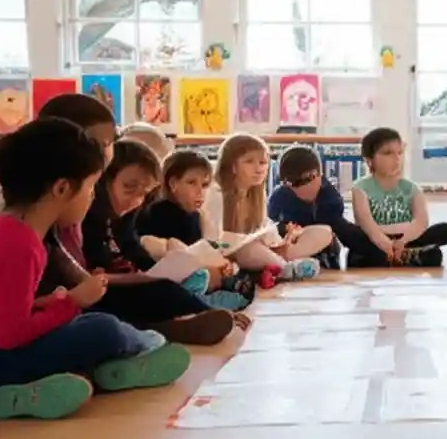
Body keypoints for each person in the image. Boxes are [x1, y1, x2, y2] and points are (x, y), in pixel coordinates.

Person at [0, 118, 190, 420]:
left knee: (84, 325)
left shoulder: (2, 229)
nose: (91, 198)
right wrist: (73, 301)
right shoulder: (19, 242)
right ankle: (141, 348)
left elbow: (5, 315)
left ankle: (33, 393)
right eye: (90, 188)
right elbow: (11, 335)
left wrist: (54, 304)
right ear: (62, 188)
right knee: (101, 328)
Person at [36, 93, 236, 345]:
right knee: (103, 325)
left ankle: (168, 326)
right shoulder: (54, 219)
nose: (109, 149)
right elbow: (63, 289)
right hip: (71, 310)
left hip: (85, 299)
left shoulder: (87, 212)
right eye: (104, 142)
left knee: (142, 301)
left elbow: (95, 272)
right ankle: (154, 333)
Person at [83, 141, 253, 319]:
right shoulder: (91, 220)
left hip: (133, 284)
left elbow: (137, 254)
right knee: (165, 292)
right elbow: (93, 277)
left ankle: (204, 315)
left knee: (167, 288)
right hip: (107, 293)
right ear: (104, 181)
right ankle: (199, 317)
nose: (136, 200)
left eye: (143, 194)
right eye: (129, 188)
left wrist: (155, 273)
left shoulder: (126, 218)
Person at [205, 134, 326, 280]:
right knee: (249, 248)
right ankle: (287, 269)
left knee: (323, 231)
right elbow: (213, 240)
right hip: (228, 253)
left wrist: (279, 243)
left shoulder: (255, 193)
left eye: (263, 163)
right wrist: (250, 240)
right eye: (249, 162)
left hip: (262, 248)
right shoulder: (215, 194)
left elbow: (264, 226)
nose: (258, 169)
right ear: (232, 166)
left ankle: (278, 263)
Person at [344, 127, 447, 268]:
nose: (397, 158)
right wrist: (385, 243)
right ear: (369, 160)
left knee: (444, 230)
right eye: (388, 153)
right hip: (375, 240)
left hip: (407, 239)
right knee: (351, 235)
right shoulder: (361, 187)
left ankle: (398, 256)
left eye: (399, 152)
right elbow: (366, 223)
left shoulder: (411, 188)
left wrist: (403, 241)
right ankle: (403, 257)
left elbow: (421, 221)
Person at [267, 144, 348, 269]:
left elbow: (339, 227)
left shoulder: (331, 197)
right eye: (296, 182)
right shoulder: (279, 198)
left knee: (325, 232)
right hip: (291, 243)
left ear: (320, 175)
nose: (306, 187)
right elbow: (272, 226)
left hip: (321, 250)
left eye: (311, 178)